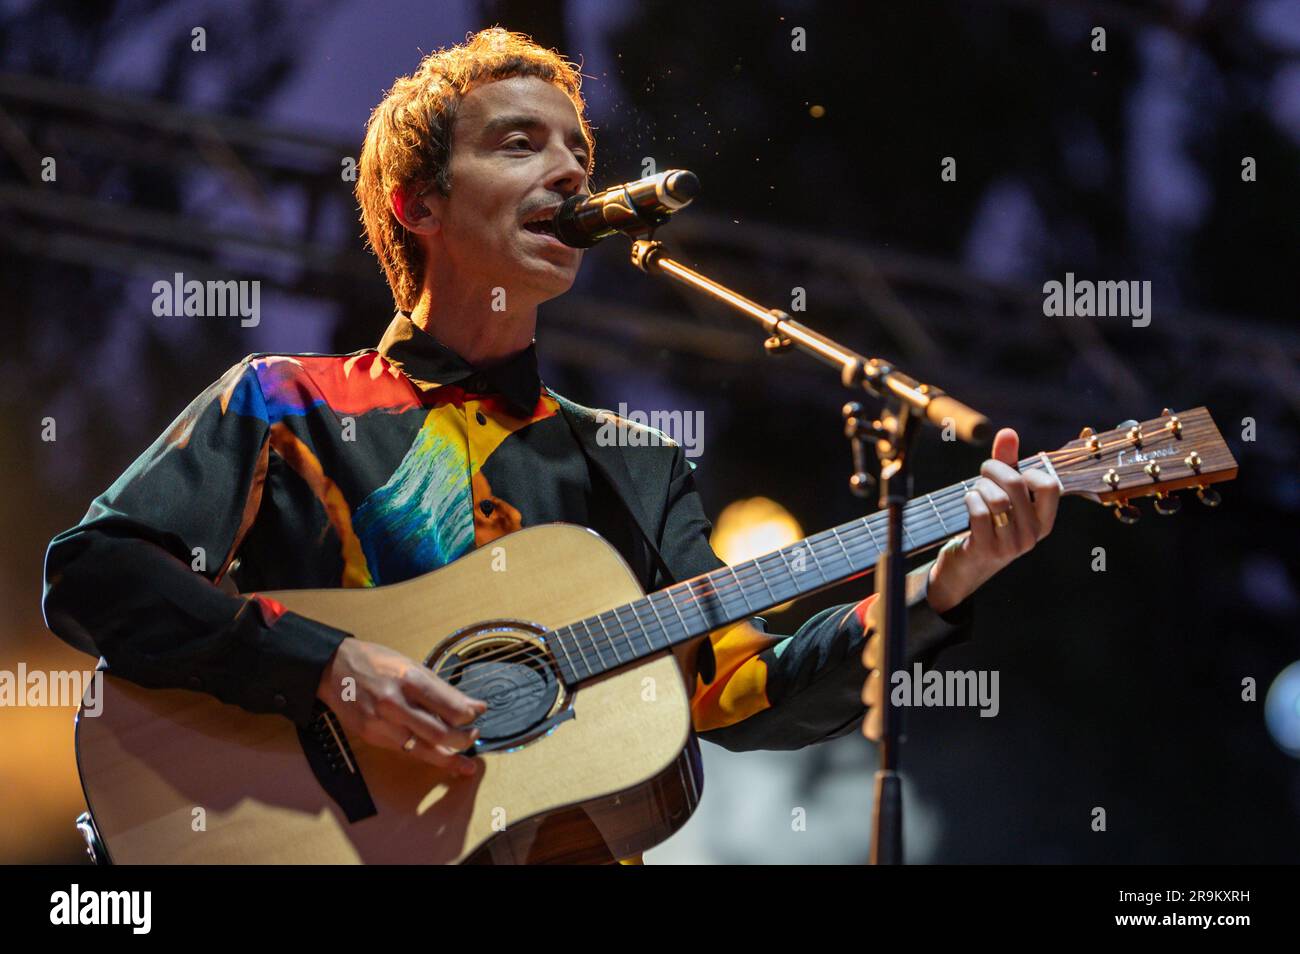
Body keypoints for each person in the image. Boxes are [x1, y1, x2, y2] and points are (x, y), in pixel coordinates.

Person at [41, 28, 1059, 859]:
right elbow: (97, 573)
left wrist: (937, 587)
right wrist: (330, 666)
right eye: (519, 144)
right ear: (417, 202)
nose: (572, 170)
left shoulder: (635, 462)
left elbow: (739, 691)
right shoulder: (283, 403)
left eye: (578, 150)